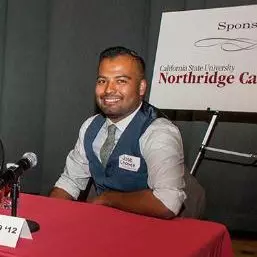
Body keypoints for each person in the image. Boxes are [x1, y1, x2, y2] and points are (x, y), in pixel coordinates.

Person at [50, 46, 186, 219]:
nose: (108, 90)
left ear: (141, 87)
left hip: (149, 229)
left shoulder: (159, 132)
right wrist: (49, 215)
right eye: (102, 81)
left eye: (121, 81)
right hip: (104, 224)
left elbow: (168, 203)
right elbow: (70, 183)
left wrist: (108, 199)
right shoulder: (90, 127)